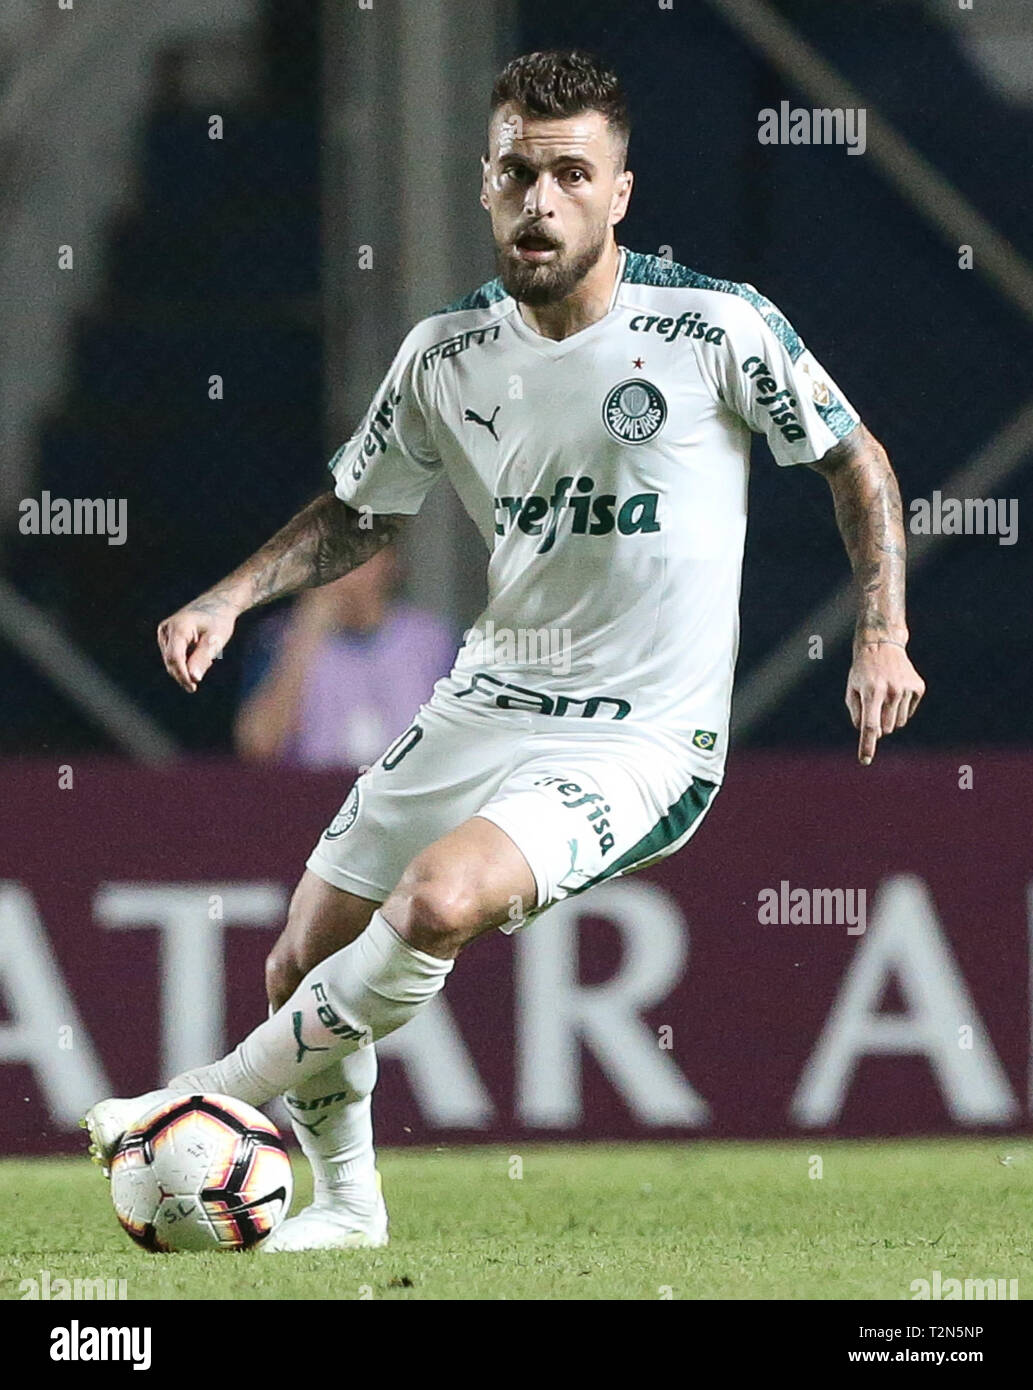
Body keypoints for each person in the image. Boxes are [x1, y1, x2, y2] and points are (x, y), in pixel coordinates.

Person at [84, 49, 925, 1252]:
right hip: (488, 698)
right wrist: (230, 597)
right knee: (300, 960)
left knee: (438, 899)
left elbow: (855, 459)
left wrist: (883, 630)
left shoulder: (715, 326)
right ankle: (348, 1207)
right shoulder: (445, 355)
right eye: (518, 173)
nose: (541, 201)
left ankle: (200, 1094)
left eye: (571, 175)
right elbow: (360, 512)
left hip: (640, 735)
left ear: (619, 193)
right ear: (485, 184)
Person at [233, 546, 456, 769]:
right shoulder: (276, 638)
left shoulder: (432, 641)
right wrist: (306, 636)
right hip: (317, 786)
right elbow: (258, 747)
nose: (344, 574)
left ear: (389, 564)